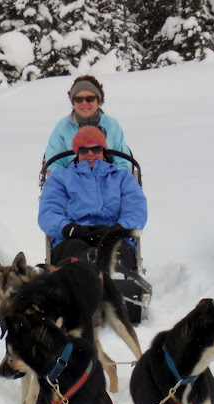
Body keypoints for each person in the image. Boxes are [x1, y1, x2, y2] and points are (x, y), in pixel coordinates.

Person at [38, 126, 147, 269]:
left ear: (103, 150)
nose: (90, 154)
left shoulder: (122, 178)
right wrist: (69, 229)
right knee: (74, 250)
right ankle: (88, 265)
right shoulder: (61, 179)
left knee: (114, 247)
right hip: (73, 237)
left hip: (112, 235)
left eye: (96, 149)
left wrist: (118, 229)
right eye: (84, 150)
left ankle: (109, 266)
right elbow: (48, 212)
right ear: (77, 152)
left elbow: (136, 210)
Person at [43, 75, 132, 173]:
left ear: (98, 101)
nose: (84, 103)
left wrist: (110, 182)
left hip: (109, 183)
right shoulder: (62, 128)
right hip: (72, 184)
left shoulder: (111, 125)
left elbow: (123, 162)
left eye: (90, 98)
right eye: (79, 99)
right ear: (73, 102)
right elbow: (54, 164)